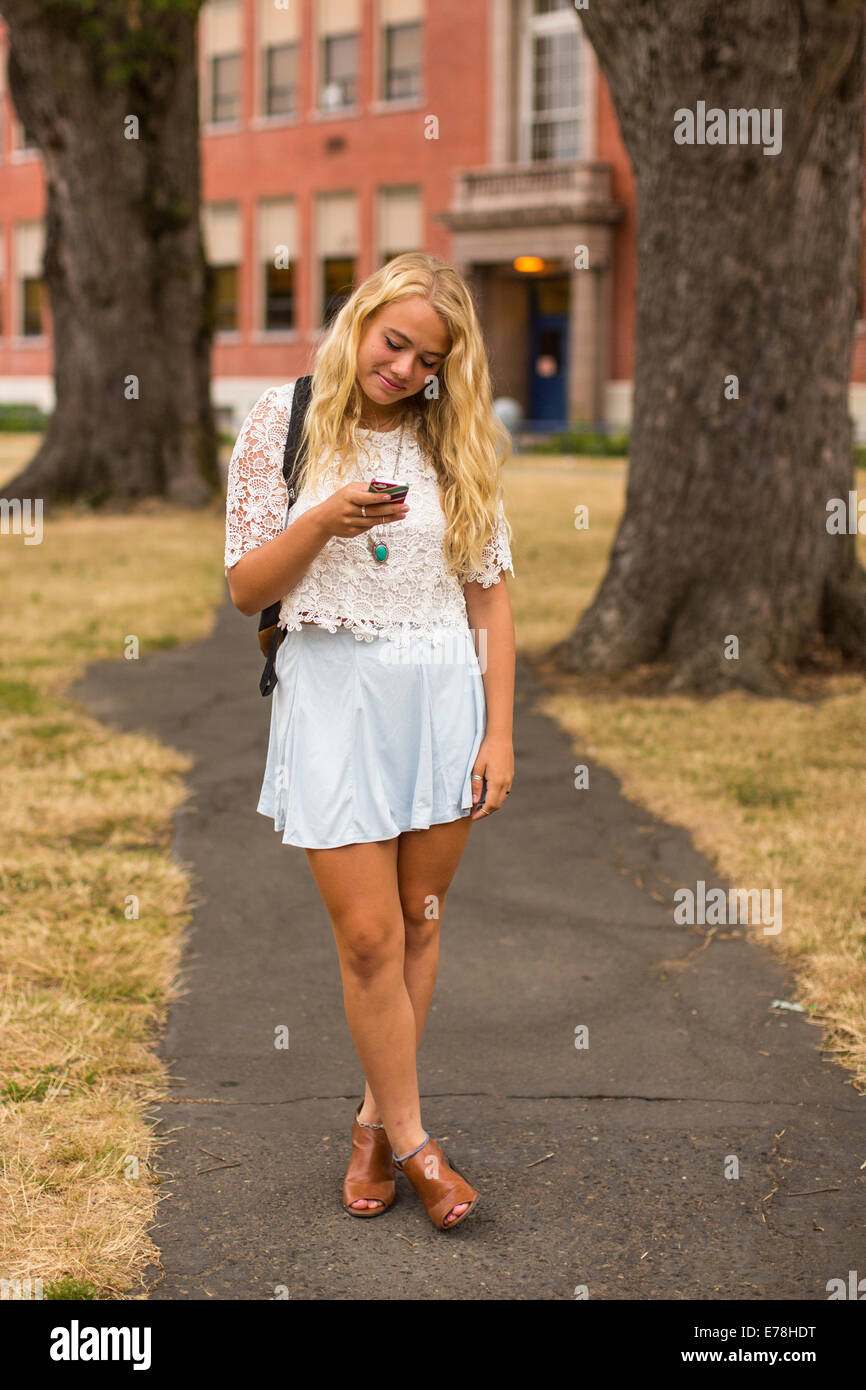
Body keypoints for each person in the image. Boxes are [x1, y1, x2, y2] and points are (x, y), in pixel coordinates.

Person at [224, 252, 515, 1232]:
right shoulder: (284, 418)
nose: (401, 367)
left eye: (425, 358)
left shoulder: (456, 443)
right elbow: (244, 585)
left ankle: (372, 1126)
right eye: (393, 341)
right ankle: (420, 1146)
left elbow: (488, 596)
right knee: (366, 936)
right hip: (331, 694)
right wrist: (322, 523)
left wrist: (499, 733)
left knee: (419, 921)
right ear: (360, 320)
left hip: (439, 700)